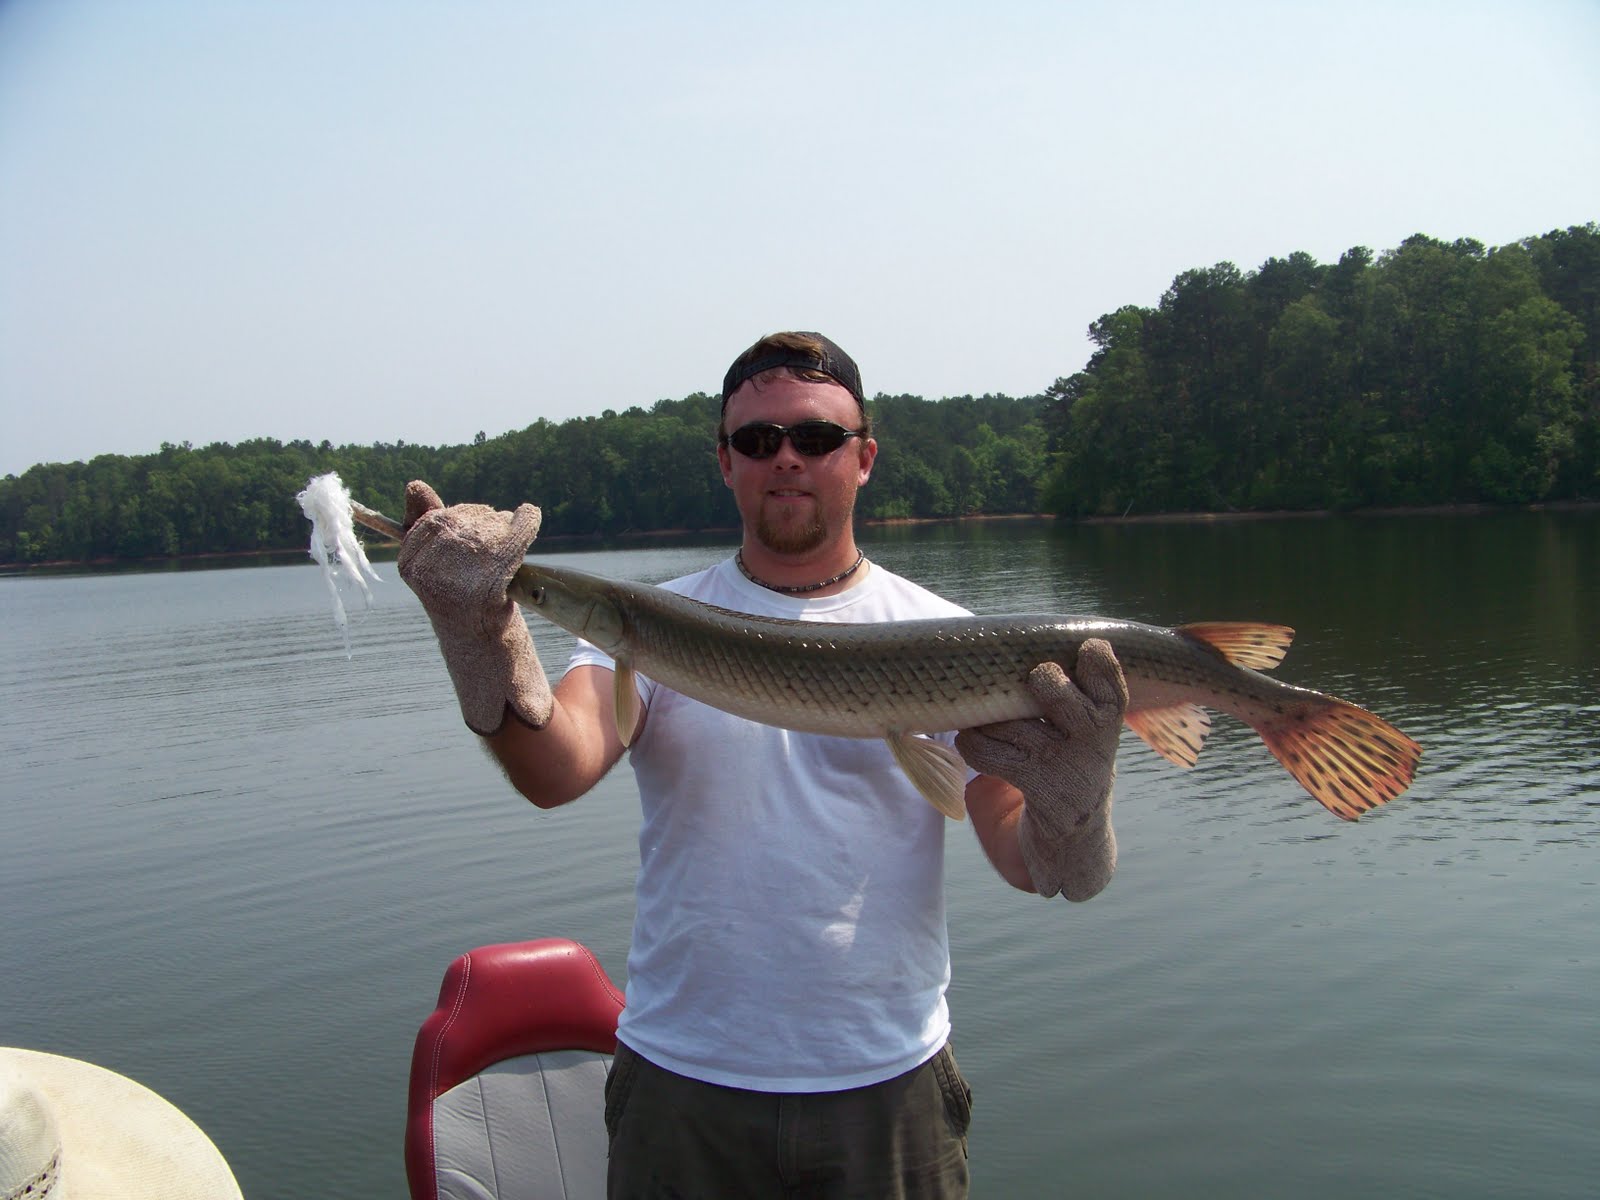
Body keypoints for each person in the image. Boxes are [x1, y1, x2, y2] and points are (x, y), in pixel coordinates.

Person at [397, 331, 1128, 1199]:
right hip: (680, 1084)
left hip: (888, 1086)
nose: (786, 458)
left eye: (816, 438)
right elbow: (556, 769)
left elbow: (1025, 855)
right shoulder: (658, 627)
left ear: (863, 459)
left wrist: (1077, 806)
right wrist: (482, 635)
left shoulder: (946, 633)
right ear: (725, 461)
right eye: (757, 440)